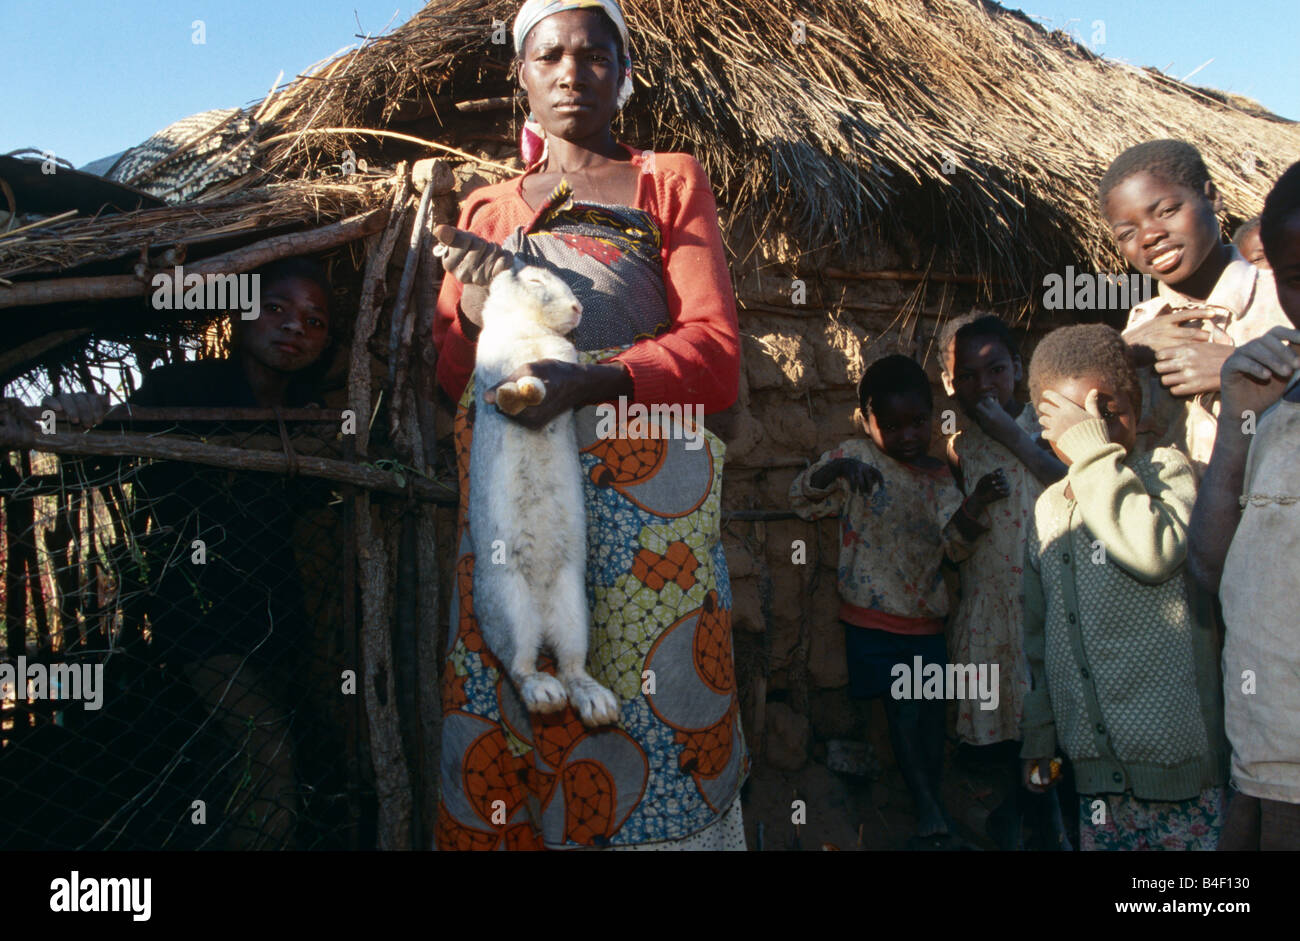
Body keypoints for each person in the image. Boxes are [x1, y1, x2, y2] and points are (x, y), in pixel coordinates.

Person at [431, 0, 746, 850]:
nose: (573, 72)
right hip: (517, 506)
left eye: (595, 55)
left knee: (652, 711)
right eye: (552, 57)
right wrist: (466, 308)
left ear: (623, 72)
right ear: (522, 79)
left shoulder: (667, 179)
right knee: (520, 702)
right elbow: (456, 379)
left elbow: (716, 360)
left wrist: (596, 380)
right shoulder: (489, 209)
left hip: (646, 519)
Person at [42, 256, 335, 849]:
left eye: (314, 321)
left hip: (276, 609)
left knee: (230, 760)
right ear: (239, 313)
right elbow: (111, 453)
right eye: (275, 308)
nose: (293, 328)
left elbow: (317, 498)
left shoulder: (314, 408)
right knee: (266, 745)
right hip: (199, 613)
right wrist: (79, 417)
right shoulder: (185, 388)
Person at [1021, 324, 1227, 851]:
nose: (1098, 429)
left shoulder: (1167, 473)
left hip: (1179, 770)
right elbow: (1039, 641)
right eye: (1077, 420)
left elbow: (1153, 554)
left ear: (1136, 406)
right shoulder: (1048, 510)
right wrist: (1040, 740)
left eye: (1109, 411)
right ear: (1047, 427)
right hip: (1095, 780)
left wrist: (1091, 452)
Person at [790, 354, 1008, 846]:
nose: (909, 435)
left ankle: (927, 796)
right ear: (866, 421)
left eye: (918, 423)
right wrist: (837, 469)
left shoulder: (936, 478)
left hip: (925, 624)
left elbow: (955, 547)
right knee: (903, 710)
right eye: (892, 425)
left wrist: (975, 504)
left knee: (930, 718)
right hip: (871, 621)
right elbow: (800, 499)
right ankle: (928, 807)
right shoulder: (856, 458)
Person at [1189, 160, 1300, 850]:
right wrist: (1236, 421)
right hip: (1265, 759)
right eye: (1296, 278)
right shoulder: (1273, 403)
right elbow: (1206, 568)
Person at [938, 313, 1066, 848]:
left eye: (994, 370)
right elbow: (951, 546)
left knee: (1053, 733)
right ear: (951, 386)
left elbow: (1073, 485)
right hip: (991, 615)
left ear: (1019, 367)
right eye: (967, 375)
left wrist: (1011, 435)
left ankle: (1054, 831)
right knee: (1001, 738)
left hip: (1048, 610)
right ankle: (1012, 829)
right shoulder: (960, 450)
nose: (982, 385)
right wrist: (974, 506)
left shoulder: (1053, 425)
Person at [1100, 139, 1291, 473]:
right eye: (1127, 232)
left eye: (1167, 211)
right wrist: (1126, 350)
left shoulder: (1282, 297)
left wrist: (1243, 371)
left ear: (1212, 196)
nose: (1149, 236)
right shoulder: (1139, 330)